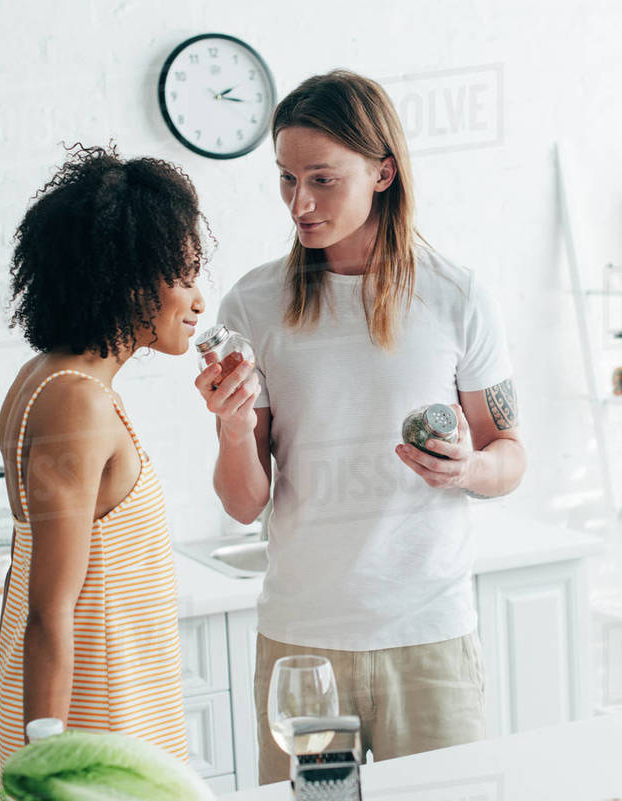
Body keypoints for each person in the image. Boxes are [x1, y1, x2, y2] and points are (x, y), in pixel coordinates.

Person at [195, 71, 526, 784]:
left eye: (322, 178)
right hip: (304, 650)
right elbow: (244, 501)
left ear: (383, 172)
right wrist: (230, 430)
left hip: (429, 640)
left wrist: (467, 467)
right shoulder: (254, 304)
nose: (301, 204)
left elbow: (509, 455)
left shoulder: (455, 294)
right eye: (286, 180)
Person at [0, 144, 209, 784]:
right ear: (129, 280)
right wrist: (48, 765)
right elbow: (50, 607)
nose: (198, 301)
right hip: (97, 730)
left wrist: (7, 716)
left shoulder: (45, 380)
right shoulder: (75, 403)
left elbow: (27, 567)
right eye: (184, 276)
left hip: (88, 713)